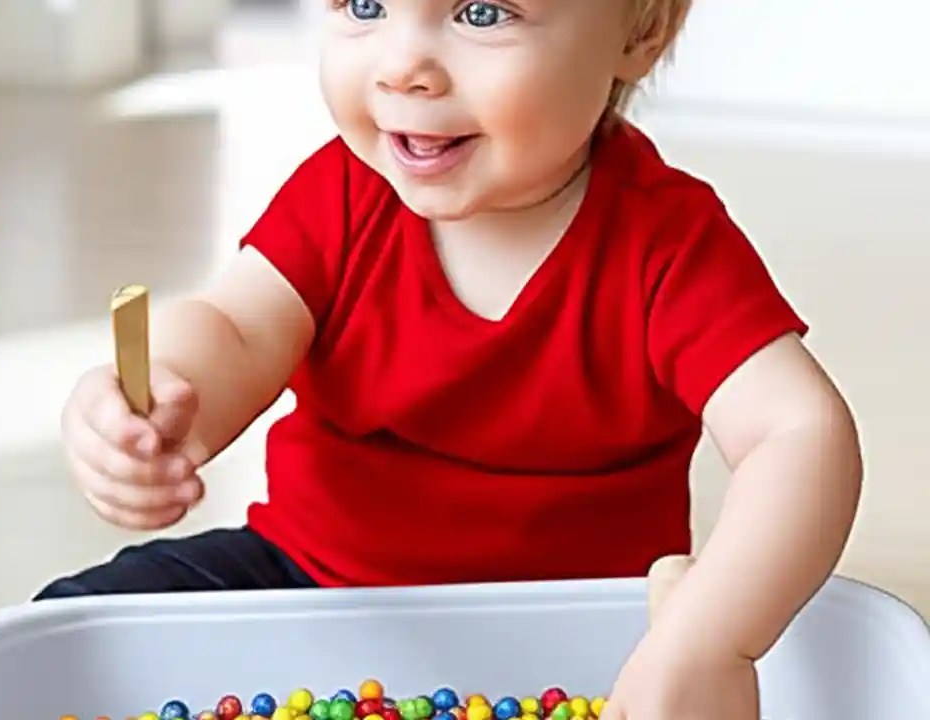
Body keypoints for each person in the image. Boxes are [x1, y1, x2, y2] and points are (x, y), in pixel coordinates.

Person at [49, 1, 863, 718]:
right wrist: (164, 394)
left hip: (578, 647)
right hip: (311, 587)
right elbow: (236, 324)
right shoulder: (342, 193)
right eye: (365, 3)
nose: (403, 66)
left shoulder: (668, 245)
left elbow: (798, 433)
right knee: (68, 634)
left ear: (641, 31)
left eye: (482, 13)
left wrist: (706, 644)